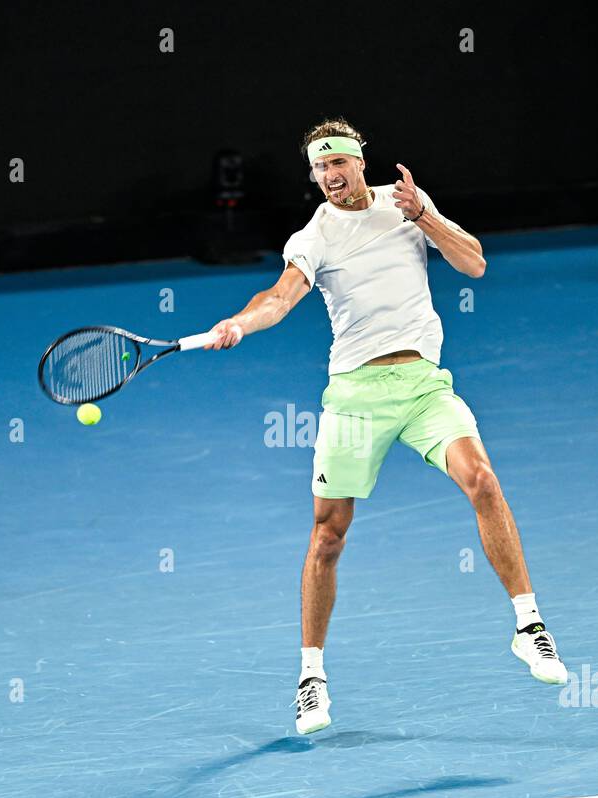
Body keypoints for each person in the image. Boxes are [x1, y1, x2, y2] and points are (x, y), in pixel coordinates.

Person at [198, 118, 568, 735]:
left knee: (482, 480)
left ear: (359, 162)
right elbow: (280, 297)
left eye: (337, 163)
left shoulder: (405, 206)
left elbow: (474, 263)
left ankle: (529, 626)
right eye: (319, 168)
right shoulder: (314, 236)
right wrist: (239, 322)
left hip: (423, 386)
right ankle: (311, 678)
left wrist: (423, 214)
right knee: (328, 535)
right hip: (354, 395)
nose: (329, 176)